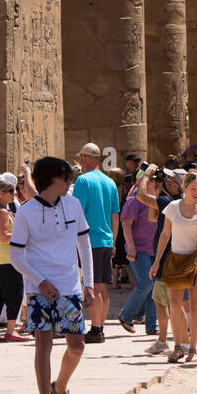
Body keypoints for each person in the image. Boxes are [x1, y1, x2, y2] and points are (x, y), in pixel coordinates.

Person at [8, 155, 94, 394]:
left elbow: (84, 245)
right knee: (42, 345)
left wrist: (88, 282)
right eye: (65, 178)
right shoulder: (25, 212)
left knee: (77, 346)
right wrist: (39, 280)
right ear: (50, 180)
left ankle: (60, 387)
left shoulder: (73, 204)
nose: (70, 182)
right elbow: (15, 255)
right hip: (39, 289)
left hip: (69, 286)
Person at [149, 171, 197, 364]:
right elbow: (165, 235)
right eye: (192, 189)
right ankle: (178, 346)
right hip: (177, 260)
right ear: (184, 188)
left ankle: (193, 350)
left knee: (196, 310)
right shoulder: (172, 207)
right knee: (175, 306)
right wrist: (156, 262)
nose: (196, 192)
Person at [73, 143, 120, 344]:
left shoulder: (83, 181)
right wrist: (114, 240)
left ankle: (95, 328)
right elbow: (115, 216)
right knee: (102, 286)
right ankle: (100, 327)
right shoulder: (110, 183)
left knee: (92, 285)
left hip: (88, 241)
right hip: (106, 239)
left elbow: (76, 212)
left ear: (84, 158)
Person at [133, 166, 182, 354]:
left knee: (162, 301)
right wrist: (157, 188)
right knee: (176, 302)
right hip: (178, 256)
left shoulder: (168, 201)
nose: (167, 181)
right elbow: (152, 217)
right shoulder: (177, 202)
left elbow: (141, 197)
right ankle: (180, 341)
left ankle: (167, 340)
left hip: (166, 257)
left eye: (171, 180)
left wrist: (146, 176)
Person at [0, 176, 28, 343]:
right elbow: (3, 236)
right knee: (14, 293)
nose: (14, 194)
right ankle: (10, 330)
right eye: (10, 191)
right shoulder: (2, 211)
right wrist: (21, 235)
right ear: (1, 193)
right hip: (5, 258)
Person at [118, 171, 159, 338]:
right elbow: (126, 223)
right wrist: (132, 247)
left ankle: (152, 325)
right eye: (151, 180)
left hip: (153, 249)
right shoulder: (134, 200)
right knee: (146, 284)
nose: (155, 184)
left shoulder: (155, 200)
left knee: (153, 288)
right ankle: (125, 315)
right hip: (138, 249)